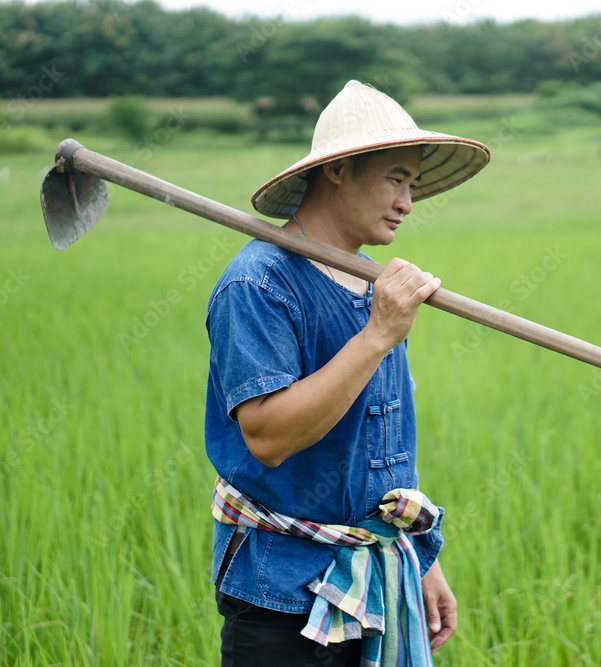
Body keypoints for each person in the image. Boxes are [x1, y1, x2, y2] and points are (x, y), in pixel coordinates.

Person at [204, 80, 490, 666]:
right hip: (281, 596)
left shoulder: (370, 281)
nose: (407, 203)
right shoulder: (258, 284)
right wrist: (379, 334)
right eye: (395, 178)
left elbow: (380, 444)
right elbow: (268, 436)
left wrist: (420, 557)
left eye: (411, 183)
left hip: (375, 580)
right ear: (337, 172)